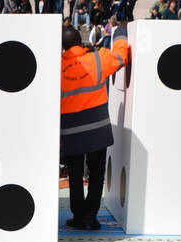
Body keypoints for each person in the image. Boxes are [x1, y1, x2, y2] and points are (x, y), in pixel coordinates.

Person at [60, 24, 130, 230]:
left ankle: (78, 216)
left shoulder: (58, 68)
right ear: (80, 42)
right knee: (97, 172)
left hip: (71, 131)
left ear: (63, 47)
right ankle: (90, 217)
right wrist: (120, 34)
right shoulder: (98, 59)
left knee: (74, 174)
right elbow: (121, 57)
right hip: (97, 129)